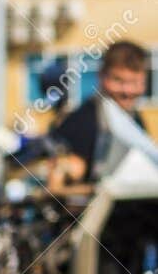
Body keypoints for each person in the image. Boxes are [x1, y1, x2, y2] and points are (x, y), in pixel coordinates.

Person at [51, 39, 149, 188]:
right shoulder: (82, 119)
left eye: (135, 82)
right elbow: (64, 171)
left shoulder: (134, 120)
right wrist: (64, 169)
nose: (127, 91)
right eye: (118, 80)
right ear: (101, 76)